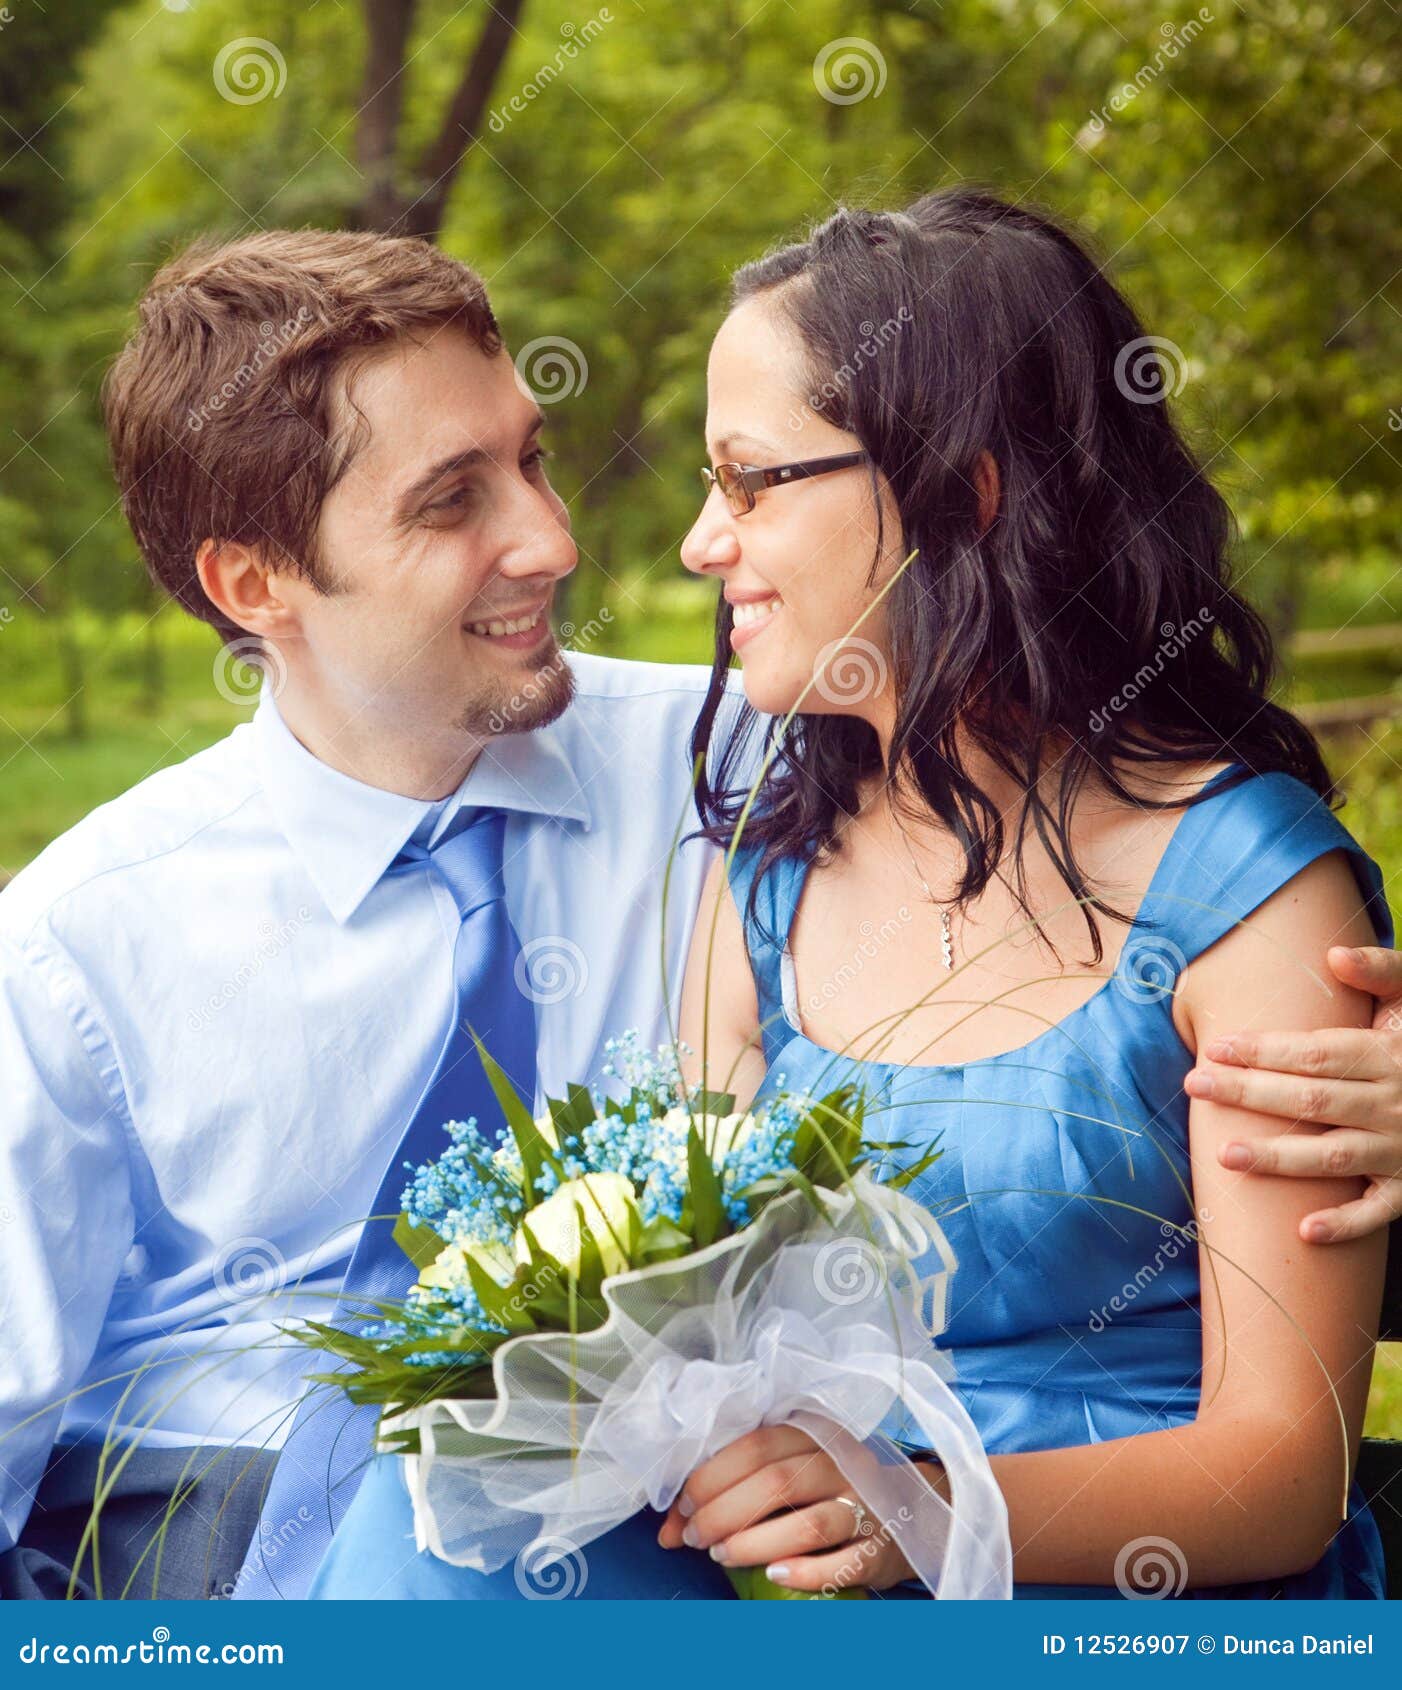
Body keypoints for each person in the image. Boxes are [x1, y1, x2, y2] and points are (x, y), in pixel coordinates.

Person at [3, 219, 1400, 1606]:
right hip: (217, 1529)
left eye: (534, 461)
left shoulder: (752, 766)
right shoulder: (77, 945)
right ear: (253, 585)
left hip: (922, 1561)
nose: (561, 540)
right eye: (450, 500)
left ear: (958, 497)